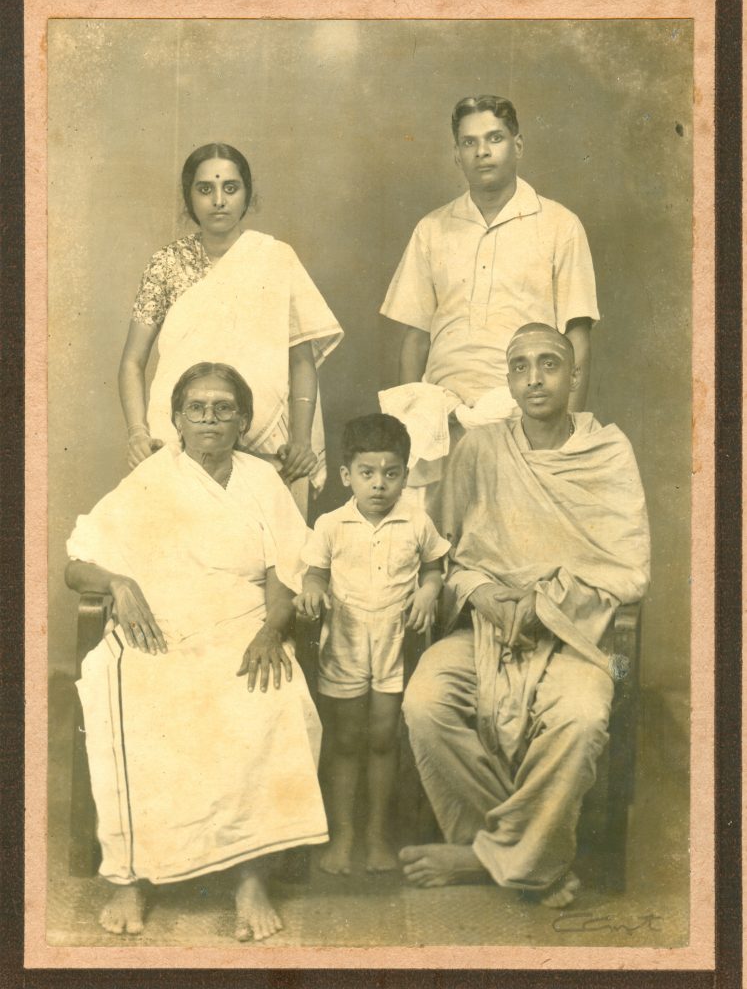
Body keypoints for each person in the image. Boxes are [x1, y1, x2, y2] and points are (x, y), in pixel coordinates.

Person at [66, 362, 328, 941]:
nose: (210, 418)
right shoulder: (151, 479)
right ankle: (131, 876)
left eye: (224, 408)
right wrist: (117, 583)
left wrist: (270, 630)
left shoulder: (262, 482)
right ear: (178, 420)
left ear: (243, 420)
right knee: (128, 688)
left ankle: (250, 876)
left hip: (240, 624)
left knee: (270, 695)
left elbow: (284, 576)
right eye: (197, 409)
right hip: (157, 626)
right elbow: (75, 562)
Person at [399, 324, 650, 907]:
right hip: (486, 626)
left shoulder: (607, 451)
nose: (534, 378)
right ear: (508, 379)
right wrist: (480, 592)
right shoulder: (482, 447)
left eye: (548, 364)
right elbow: (448, 548)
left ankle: (484, 857)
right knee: (426, 702)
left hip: (575, 635)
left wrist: (547, 605)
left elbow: (629, 568)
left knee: (583, 717)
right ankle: (524, 853)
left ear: (575, 375)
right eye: (519, 366)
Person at [379, 95, 598, 513]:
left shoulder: (559, 225)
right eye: (469, 142)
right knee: (435, 553)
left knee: (517, 546)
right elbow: (415, 339)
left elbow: (577, 337)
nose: (482, 152)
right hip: (440, 421)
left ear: (517, 146)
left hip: (524, 415)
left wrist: (564, 432)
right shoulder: (431, 229)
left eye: (494, 138)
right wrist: (410, 425)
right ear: (456, 155)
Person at [118, 142, 343, 502]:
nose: (218, 200)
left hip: (268, 444)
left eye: (230, 188)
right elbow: (132, 361)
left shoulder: (276, 259)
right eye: (205, 189)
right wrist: (137, 434)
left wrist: (300, 441)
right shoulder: (165, 264)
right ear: (188, 196)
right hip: (177, 437)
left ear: (247, 195)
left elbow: (302, 359)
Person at [294, 414, 450, 875]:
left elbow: (435, 567)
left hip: (394, 646)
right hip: (343, 643)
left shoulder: (417, 520)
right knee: (344, 741)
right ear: (347, 476)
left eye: (391, 473)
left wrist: (428, 590)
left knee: (383, 739)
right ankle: (343, 836)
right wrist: (313, 590)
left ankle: (377, 836)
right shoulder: (330, 524)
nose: (379, 484)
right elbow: (314, 571)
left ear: (405, 473)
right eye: (367, 473)